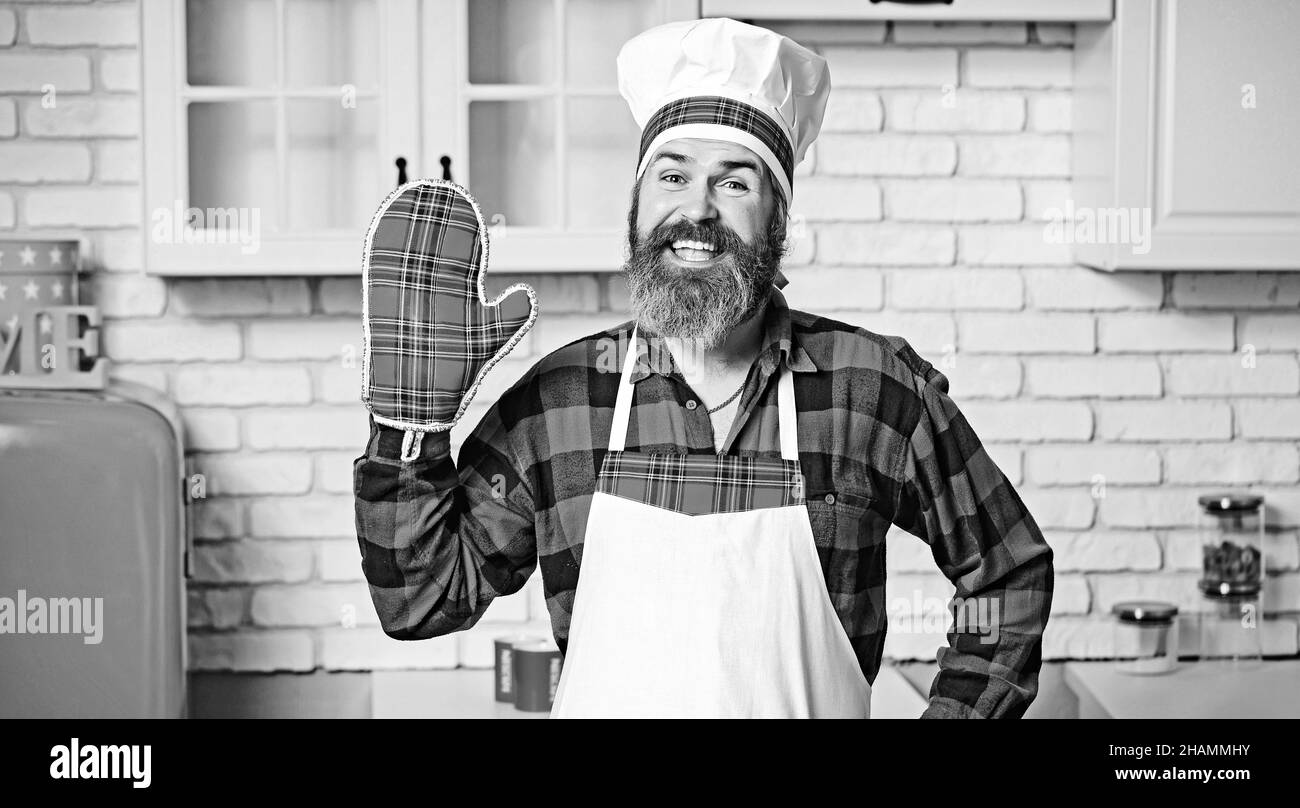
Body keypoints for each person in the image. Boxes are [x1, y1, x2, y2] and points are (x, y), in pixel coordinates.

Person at [354, 17, 1054, 718]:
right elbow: (421, 601)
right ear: (637, 206)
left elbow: (1008, 571)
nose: (697, 208)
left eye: (735, 184)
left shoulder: (870, 391)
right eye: (673, 175)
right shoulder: (560, 402)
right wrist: (408, 429)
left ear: (777, 219)